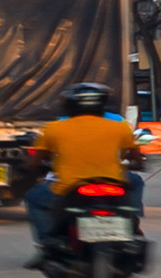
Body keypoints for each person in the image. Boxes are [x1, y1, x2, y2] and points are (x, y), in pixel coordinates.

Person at [24, 78, 141, 263]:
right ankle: (133, 222)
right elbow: (136, 158)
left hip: (68, 187)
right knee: (135, 183)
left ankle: (47, 241)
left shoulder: (54, 128)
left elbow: (36, 162)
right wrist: (136, 165)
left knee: (33, 198)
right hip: (113, 184)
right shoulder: (119, 127)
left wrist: (34, 167)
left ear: (69, 105)